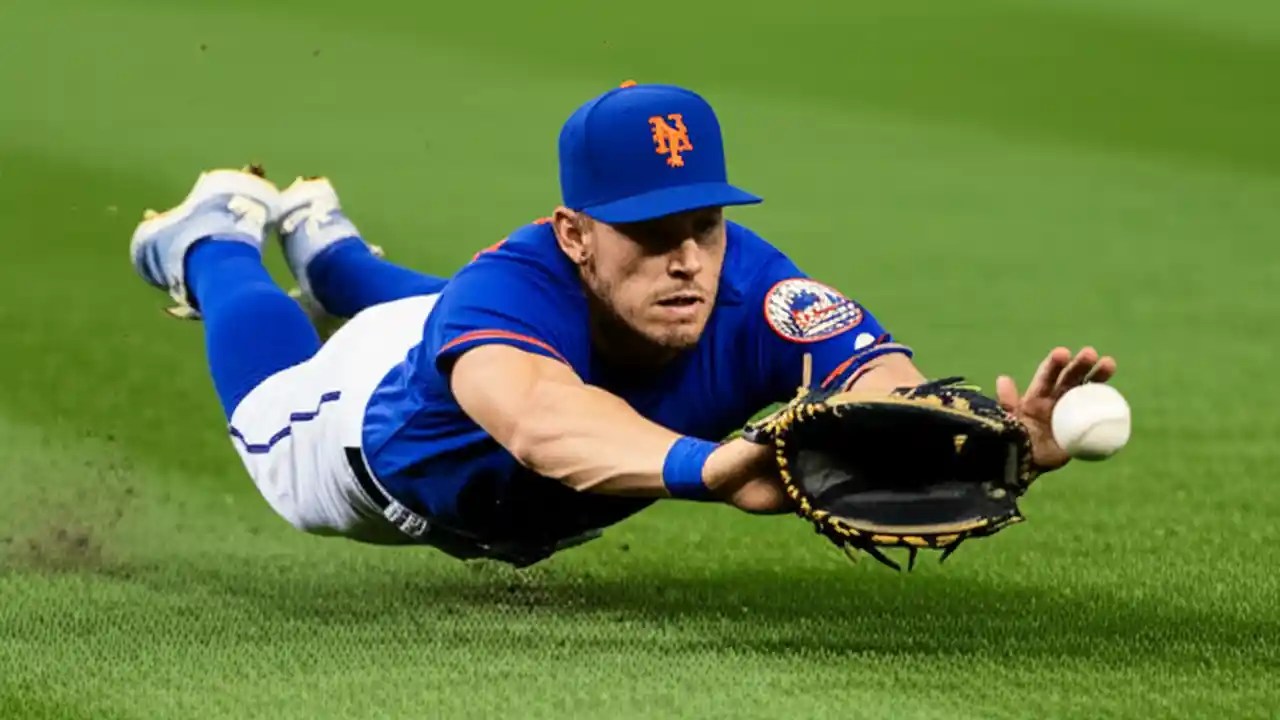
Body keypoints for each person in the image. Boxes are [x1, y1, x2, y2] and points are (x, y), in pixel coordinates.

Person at [129, 81, 1116, 567]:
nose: (686, 258)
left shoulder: (757, 291)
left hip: (483, 328)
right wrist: (706, 468)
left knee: (426, 304)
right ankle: (210, 237)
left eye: (703, 224)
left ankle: (328, 248)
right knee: (270, 388)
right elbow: (543, 422)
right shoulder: (504, 296)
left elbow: (876, 388)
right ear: (573, 232)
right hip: (357, 446)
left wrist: (976, 447)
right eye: (648, 233)